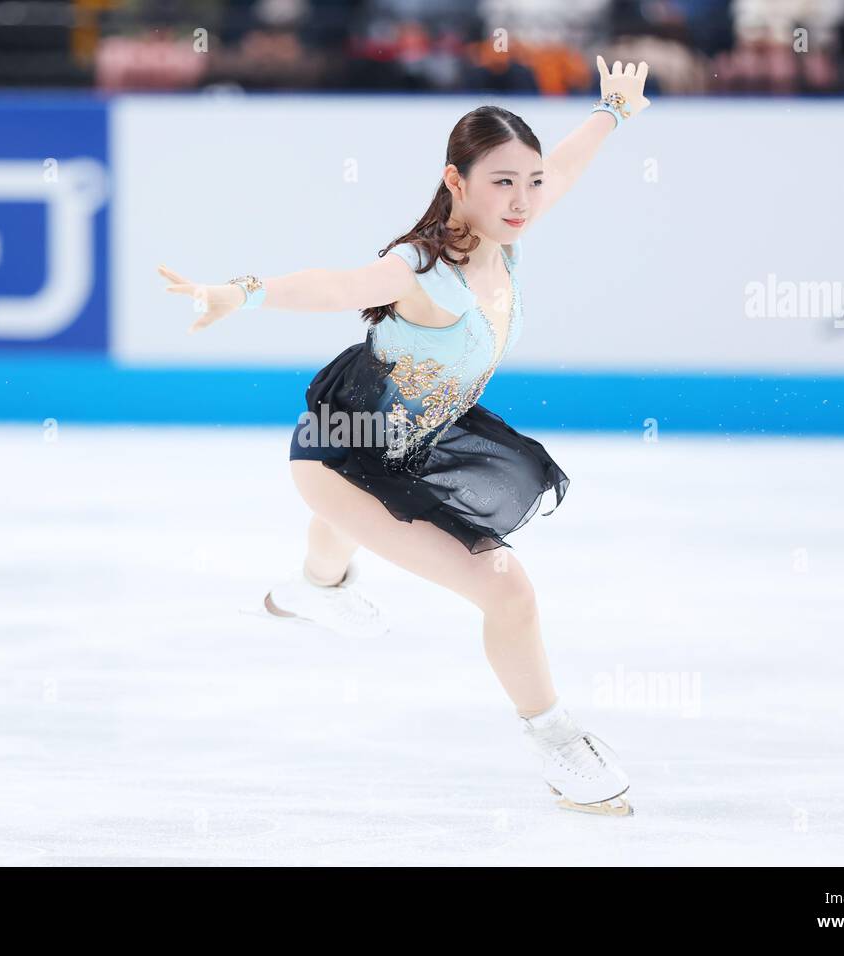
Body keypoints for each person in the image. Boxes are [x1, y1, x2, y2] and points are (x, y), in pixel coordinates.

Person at [160, 57, 651, 815]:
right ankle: (559, 747)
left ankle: (314, 589)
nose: (522, 199)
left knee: (337, 548)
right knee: (506, 590)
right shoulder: (419, 265)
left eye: (529, 182)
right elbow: (338, 285)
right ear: (456, 182)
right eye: (501, 182)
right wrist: (242, 292)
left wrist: (612, 111)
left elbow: (566, 169)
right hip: (343, 448)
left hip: (418, 436)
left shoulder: (507, 233)